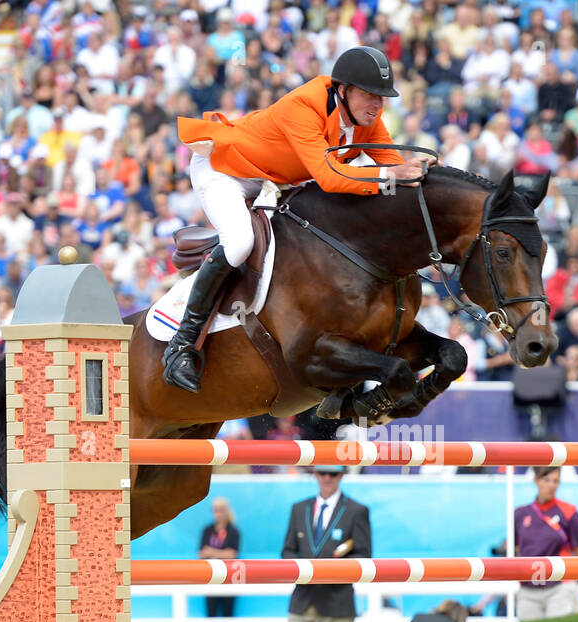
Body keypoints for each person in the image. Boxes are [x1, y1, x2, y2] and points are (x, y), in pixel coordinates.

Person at [165, 46, 425, 392]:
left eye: (382, 98)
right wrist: (396, 174)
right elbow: (333, 178)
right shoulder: (304, 105)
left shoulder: (367, 120)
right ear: (343, 90)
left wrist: (419, 174)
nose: (377, 106)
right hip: (226, 169)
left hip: (273, 178)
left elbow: (392, 168)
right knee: (240, 242)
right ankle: (182, 344)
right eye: (369, 96)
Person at [281, 464, 372, 622]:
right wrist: (308, 568)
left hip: (337, 599)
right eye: (322, 473)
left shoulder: (356, 510)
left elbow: (364, 556)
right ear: (315, 475)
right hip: (304, 598)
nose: (327, 478)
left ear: (342, 475)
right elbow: (287, 551)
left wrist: (333, 569)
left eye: (333, 473)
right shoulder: (298, 509)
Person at [513, 466, 578, 621]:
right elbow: (518, 549)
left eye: (555, 481)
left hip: (560, 588)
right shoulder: (520, 514)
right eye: (546, 480)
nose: (551, 485)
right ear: (536, 480)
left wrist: (572, 581)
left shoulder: (569, 512)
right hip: (528, 589)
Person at [198, 496, 240, 622]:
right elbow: (201, 553)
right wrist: (220, 554)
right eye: (215, 510)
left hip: (229, 580)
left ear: (226, 511)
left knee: (228, 617)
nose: (218, 513)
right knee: (210, 616)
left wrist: (212, 552)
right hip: (210, 580)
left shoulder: (233, 531)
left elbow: (233, 554)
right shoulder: (208, 530)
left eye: (220, 509)